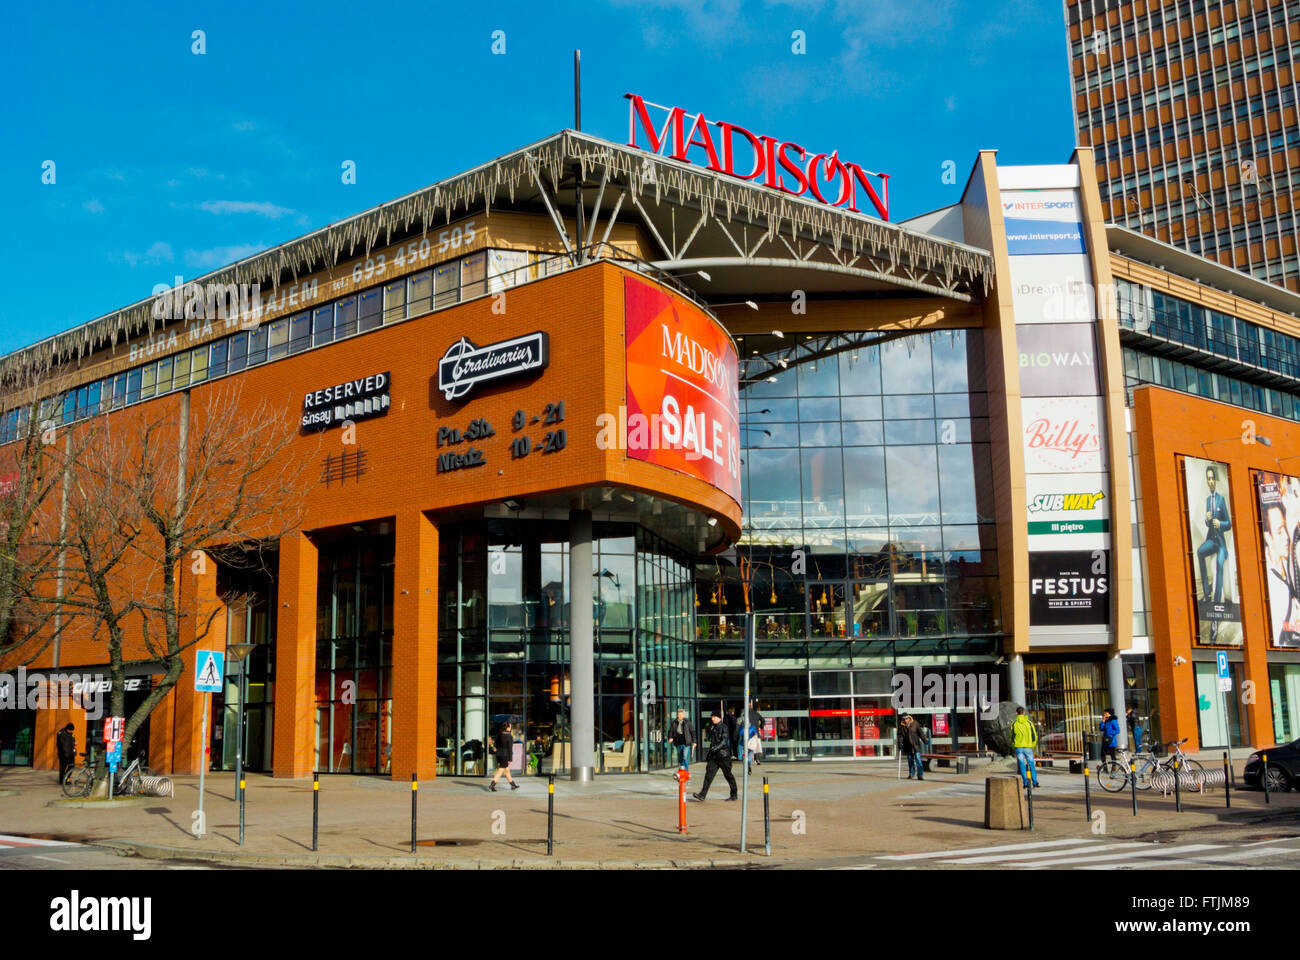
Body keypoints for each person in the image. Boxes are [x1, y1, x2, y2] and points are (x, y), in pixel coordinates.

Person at [1195, 463, 1232, 642]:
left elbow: (1229, 523)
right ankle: (1208, 593)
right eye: (1208, 479)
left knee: (1219, 565)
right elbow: (1207, 523)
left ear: (1215, 480)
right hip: (1211, 539)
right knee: (1200, 552)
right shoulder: (1207, 501)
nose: (1210, 482)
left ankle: (1216, 610)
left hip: (1221, 542)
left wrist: (1220, 524)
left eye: (1212, 478)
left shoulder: (1220, 500)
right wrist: (1207, 519)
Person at [692, 710, 737, 802]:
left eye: (714, 717)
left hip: (723, 756)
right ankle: (702, 795)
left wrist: (715, 748)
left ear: (719, 718)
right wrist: (711, 752)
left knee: (728, 775)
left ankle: (734, 794)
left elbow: (724, 741)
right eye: (712, 717)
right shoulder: (713, 727)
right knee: (708, 775)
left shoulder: (724, 727)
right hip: (714, 757)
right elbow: (712, 742)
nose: (712, 719)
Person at [1012, 706, 1039, 788]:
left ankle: (1025, 783)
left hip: (1019, 748)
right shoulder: (1029, 723)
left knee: (1022, 765)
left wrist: (1014, 745)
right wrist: (1032, 745)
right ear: (1024, 713)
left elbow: (1012, 737)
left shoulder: (1014, 724)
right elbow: (1034, 736)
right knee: (1031, 765)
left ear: (1016, 713)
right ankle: (1035, 782)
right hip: (1028, 747)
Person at [489, 720, 520, 791]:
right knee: (500, 770)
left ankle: (513, 785)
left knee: (507, 770)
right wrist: (510, 759)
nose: (511, 727)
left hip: (499, 755)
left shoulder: (499, 735)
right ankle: (492, 784)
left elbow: (495, 745)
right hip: (505, 756)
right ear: (508, 728)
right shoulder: (509, 736)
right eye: (510, 726)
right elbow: (510, 749)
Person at [898, 713, 924, 780]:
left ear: (909, 718)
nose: (905, 720)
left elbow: (920, 732)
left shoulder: (915, 723)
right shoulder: (901, 726)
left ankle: (920, 775)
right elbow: (900, 736)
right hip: (908, 745)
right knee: (910, 761)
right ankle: (911, 774)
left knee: (918, 760)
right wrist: (900, 743)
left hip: (915, 745)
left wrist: (925, 740)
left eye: (906, 718)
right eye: (904, 719)